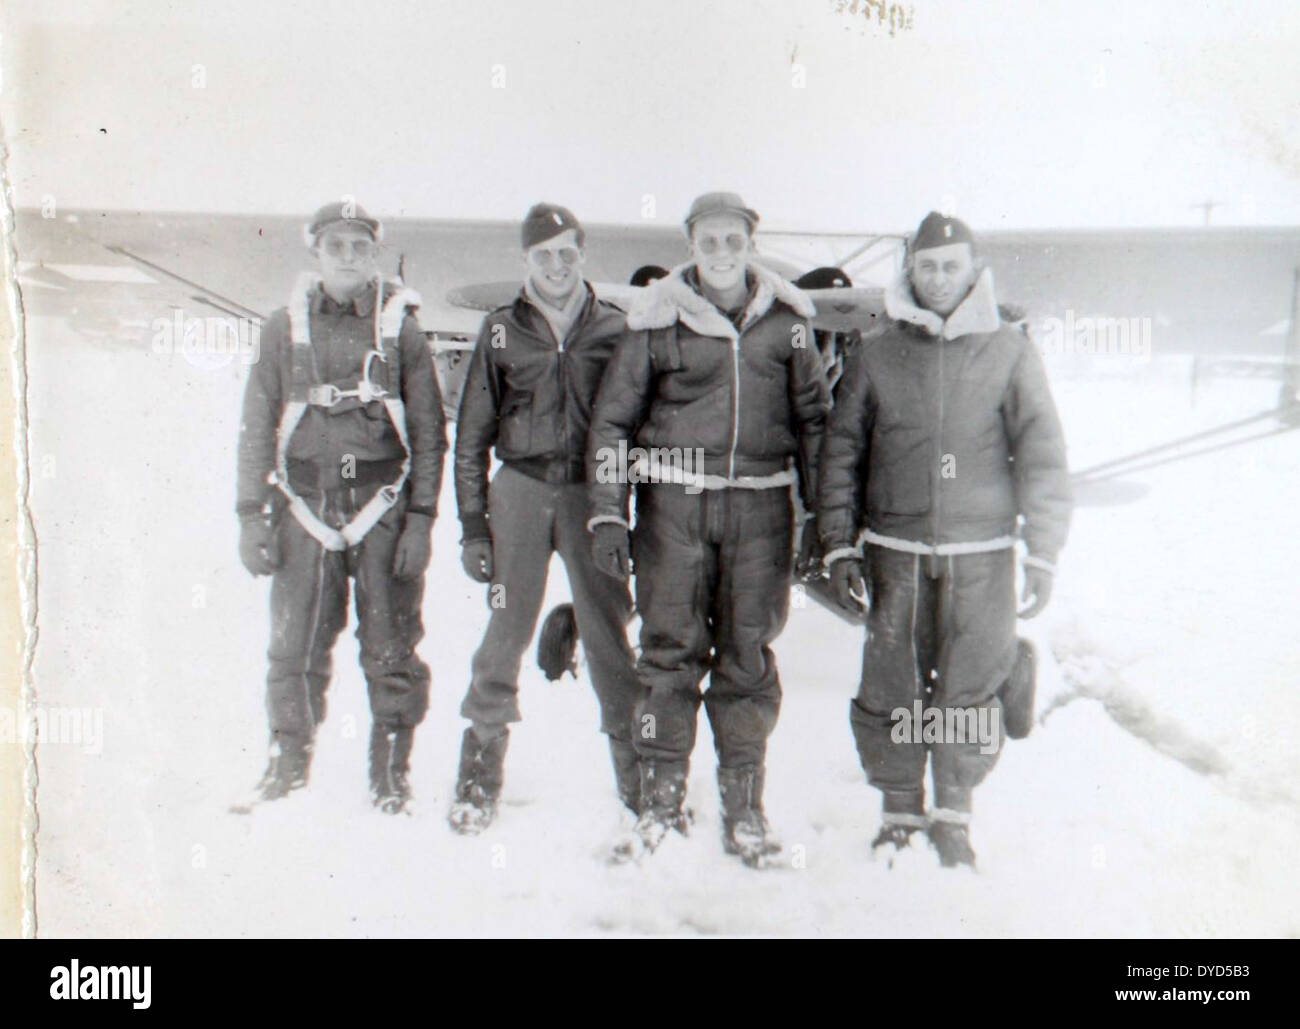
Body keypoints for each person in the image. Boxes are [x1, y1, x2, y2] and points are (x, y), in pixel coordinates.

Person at [816, 211, 1071, 867]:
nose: (937, 278)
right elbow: (841, 451)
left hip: (982, 554)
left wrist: (1043, 549)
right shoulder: (877, 352)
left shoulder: (1010, 349)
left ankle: (953, 812)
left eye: (949, 266)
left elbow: (1042, 452)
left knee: (968, 686)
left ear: (972, 270)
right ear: (910, 272)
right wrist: (839, 544)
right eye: (925, 267)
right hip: (894, 552)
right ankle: (899, 809)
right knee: (892, 682)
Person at [586, 192, 830, 866]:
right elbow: (611, 421)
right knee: (668, 653)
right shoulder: (655, 319)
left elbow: (815, 422)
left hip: (761, 508)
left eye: (732, 240)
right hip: (674, 507)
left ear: (751, 243)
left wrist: (825, 521)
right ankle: (660, 803)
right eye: (708, 240)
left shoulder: (789, 323)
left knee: (748, 658)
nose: (720, 253)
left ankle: (745, 809)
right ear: (690, 244)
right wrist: (609, 509)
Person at [236, 200, 446, 813]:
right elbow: (256, 424)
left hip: (379, 506)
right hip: (303, 507)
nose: (348, 257)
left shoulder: (400, 331)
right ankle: (287, 764)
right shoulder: (284, 328)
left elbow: (430, 432)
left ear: (374, 252)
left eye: (360, 246)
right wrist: (251, 513)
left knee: (391, 646)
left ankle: (390, 774)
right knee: (293, 645)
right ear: (316, 252)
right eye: (336, 246)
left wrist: (423, 520)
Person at [450, 203, 641, 835]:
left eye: (567, 253)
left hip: (593, 499)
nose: (556, 266)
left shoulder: (615, 327)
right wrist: (474, 526)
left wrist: (622, 513)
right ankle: (478, 779)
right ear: (525, 260)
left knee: (610, 636)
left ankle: (638, 781)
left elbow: (634, 426)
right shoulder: (502, 330)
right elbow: (472, 433)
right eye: (543, 255)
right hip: (522, 493)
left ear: (583, 255)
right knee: (505, 633)